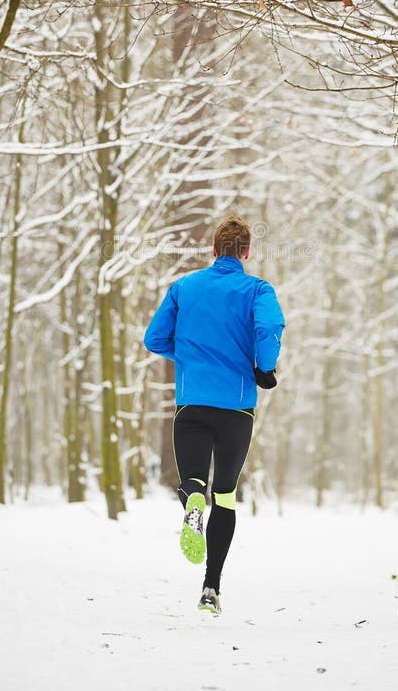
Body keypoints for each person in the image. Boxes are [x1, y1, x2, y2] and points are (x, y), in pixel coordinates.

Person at [144, 214, 285, 615]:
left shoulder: (184, 287)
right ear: (246, 252)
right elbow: (270, 327)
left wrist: (191, 357)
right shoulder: (257, 289)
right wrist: (263, 368)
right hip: (236, 409)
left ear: (212, 251)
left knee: (193, 481)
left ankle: (192, 502)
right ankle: (211, 588)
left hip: (192, 404)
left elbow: (154, 338)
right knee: (225, 494)